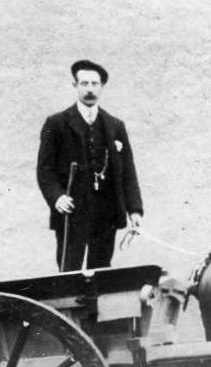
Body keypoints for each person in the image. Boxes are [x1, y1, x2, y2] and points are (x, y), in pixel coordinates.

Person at [36, 59, 143, 271]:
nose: (90, 89)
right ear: (75, 85)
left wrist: (135, 210)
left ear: (102, 87)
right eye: (84, 83)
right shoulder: (56, 123)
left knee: (102, 273)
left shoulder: (115, 126)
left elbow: (128, 172)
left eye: (95, 84)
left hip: (106, 213)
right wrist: (57, 197)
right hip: (72, 212)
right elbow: (45, 169)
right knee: (69, 274)